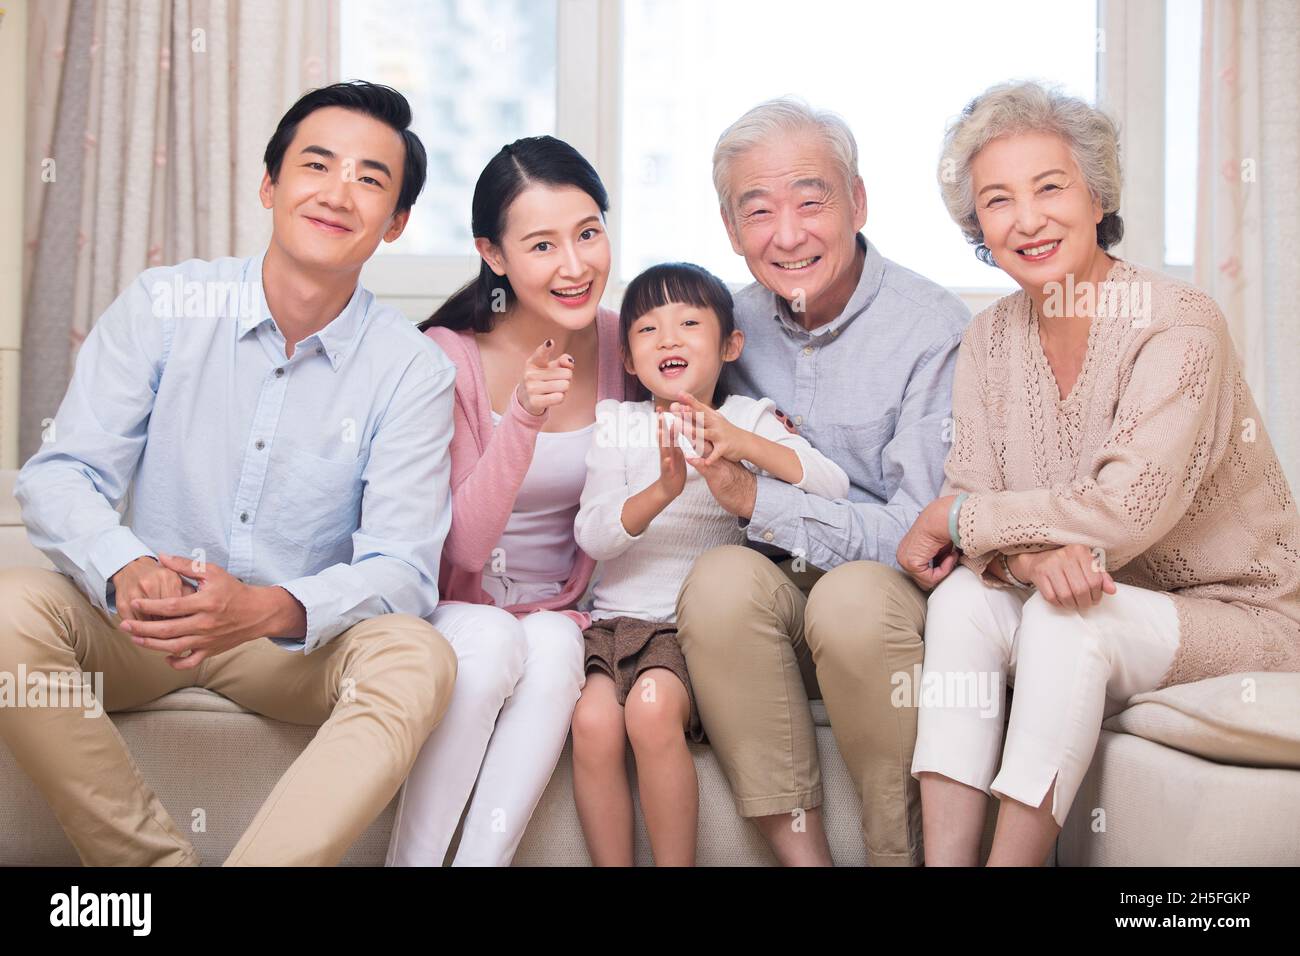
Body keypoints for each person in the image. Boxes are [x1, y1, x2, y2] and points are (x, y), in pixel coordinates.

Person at [0, 81, 459, 866]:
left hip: (286, 644)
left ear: (396, 224)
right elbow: (62, 473)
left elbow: (402, 568)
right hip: (142, 623)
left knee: (418, 657)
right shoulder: (166, 304)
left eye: (370, 179)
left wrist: (266, 608)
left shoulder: (413, 369)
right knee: (8, 610)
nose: (339, 193)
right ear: (270, 184)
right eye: (317, 165)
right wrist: (127, 565)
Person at [897, 80, 1300, 866]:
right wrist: (1028, 556)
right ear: (978, 224)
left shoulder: (1179, 322)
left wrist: (953, 521)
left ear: (1097, 194)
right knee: (959, 606)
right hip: (1097, 592)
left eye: (1051, 187)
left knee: (1065, 618)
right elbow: (976, 492)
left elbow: (1122, 513)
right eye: (998, 200)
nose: (1028, 218)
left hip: (1234, 615)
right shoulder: (987, 337)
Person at [674, 99, 970, 866]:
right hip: (776, 595)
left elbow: (918, 534)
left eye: (812, 201)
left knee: (849, 598)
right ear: (732, 230)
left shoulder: (930, 327)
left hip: (889, 598)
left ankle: (893, 854)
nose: (788, 233)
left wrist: (759, 500)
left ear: (857, 201)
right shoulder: (725, 325)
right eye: (759, 211)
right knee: (717, 580)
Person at [385, 136, 637, 867]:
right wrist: (522, 416)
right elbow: (461, 549)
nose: (575, 265)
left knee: (556, 645)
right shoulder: (448, 355)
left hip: (560, 609)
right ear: (493, 255)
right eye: (542, 245)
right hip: (457, 606)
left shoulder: (628, 344)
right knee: (497, 642)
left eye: (589, 233)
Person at [571, 262, 849, 865]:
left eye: (689, 323)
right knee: (592, 723)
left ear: (730, 345)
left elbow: (832, 483)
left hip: (690, 633)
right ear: (628, 358)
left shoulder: (748, 417)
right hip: (616, 624)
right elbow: (593, 535)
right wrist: (662, 491)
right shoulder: (619, 425)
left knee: (649, 710)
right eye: (647, 330)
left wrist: (744, 444)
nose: (667, 338)